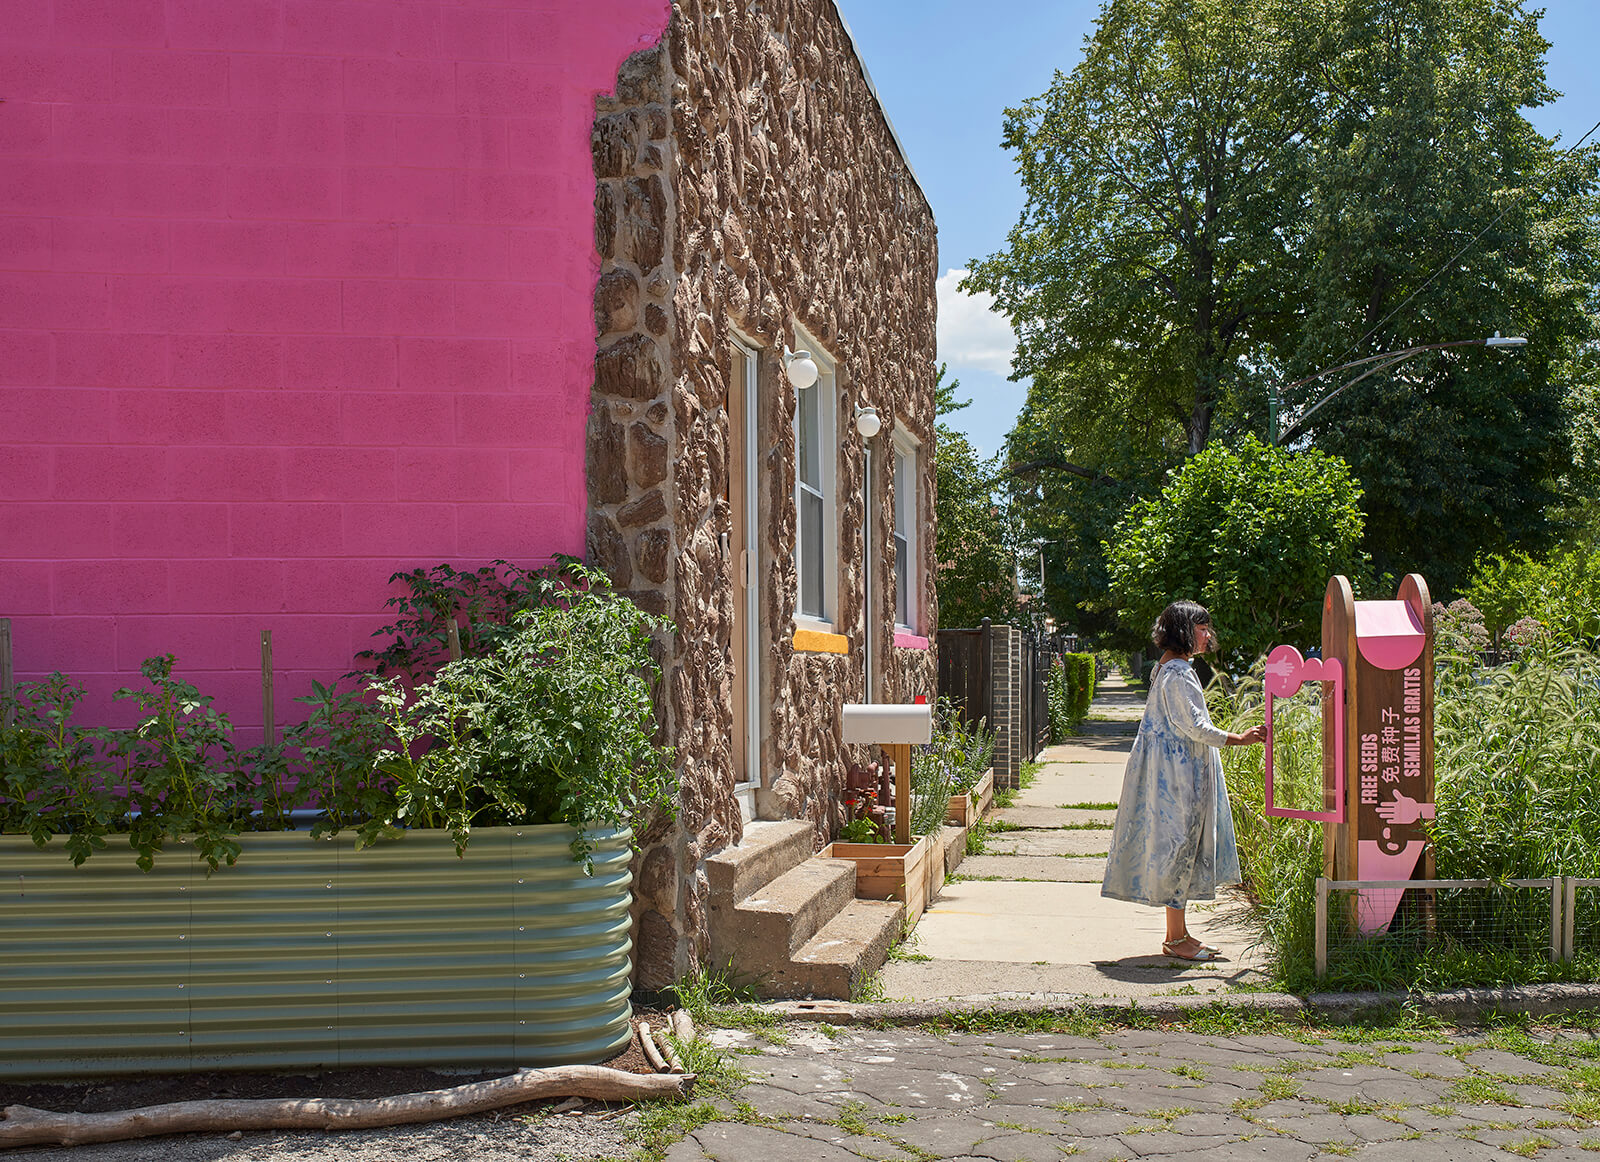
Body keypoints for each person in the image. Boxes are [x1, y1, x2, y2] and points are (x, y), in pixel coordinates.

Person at [1100, 600, 1266, 962]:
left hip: (1168, 770)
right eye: (1202, 628)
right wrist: (1239, 738)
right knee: (1179, 847)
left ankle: (1180, 934)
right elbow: (1193, 725)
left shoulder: (1169, 669)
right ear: (1185, 630)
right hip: (1176, 777)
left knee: (1180, 849)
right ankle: (1175, 940)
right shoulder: (1177, 672)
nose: (1208, 635)